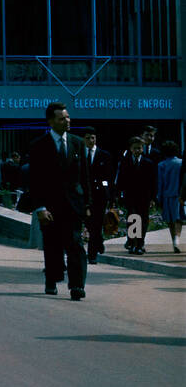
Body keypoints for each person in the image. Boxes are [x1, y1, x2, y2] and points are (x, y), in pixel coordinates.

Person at [28, 101, 91, 299]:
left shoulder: (77, 143)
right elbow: (34, 180)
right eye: (61, 118)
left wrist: (87, 204)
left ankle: (77, 285)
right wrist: (39, 207)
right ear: (51, 122)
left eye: (68, 117)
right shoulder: (39, 146)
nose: (67, 121)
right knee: (52, 244)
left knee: (75, 244)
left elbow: (85, 176)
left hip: (73, 205)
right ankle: (52, 278)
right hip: (50, 205)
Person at [115, 136, 157, 254]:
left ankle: (140, 244)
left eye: (139, 148)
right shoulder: (125, 162)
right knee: (133, 219)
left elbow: (153, 182)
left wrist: (153, 198)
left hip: (144, 196)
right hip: (130, 196)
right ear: (130, 149)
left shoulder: (148, 163)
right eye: (135, 148)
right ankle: (132, 243)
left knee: (143, 220)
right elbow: (120, 180)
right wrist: (118, 194)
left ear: (142, 149)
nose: (137, 150)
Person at [81, 129, 115, 264]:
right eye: (88, 138)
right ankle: (99, 240)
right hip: (83, 195)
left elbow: (110, 177)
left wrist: (111, 197)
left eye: (93, 138)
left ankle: (92, 254)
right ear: (83, 139)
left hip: (99, 195)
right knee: (89, 224)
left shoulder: (104, 155)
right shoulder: (79, 154)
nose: (90, 141)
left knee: (96, 224)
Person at [156, 140, 182, 253]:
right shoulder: (181, 163)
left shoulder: (161, 165)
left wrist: (159, 197)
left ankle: (173, 240)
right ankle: (177, 239)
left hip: (167, 195)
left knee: (170, 221)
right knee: (179, 219)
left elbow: (160, 183)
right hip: (180, 195)